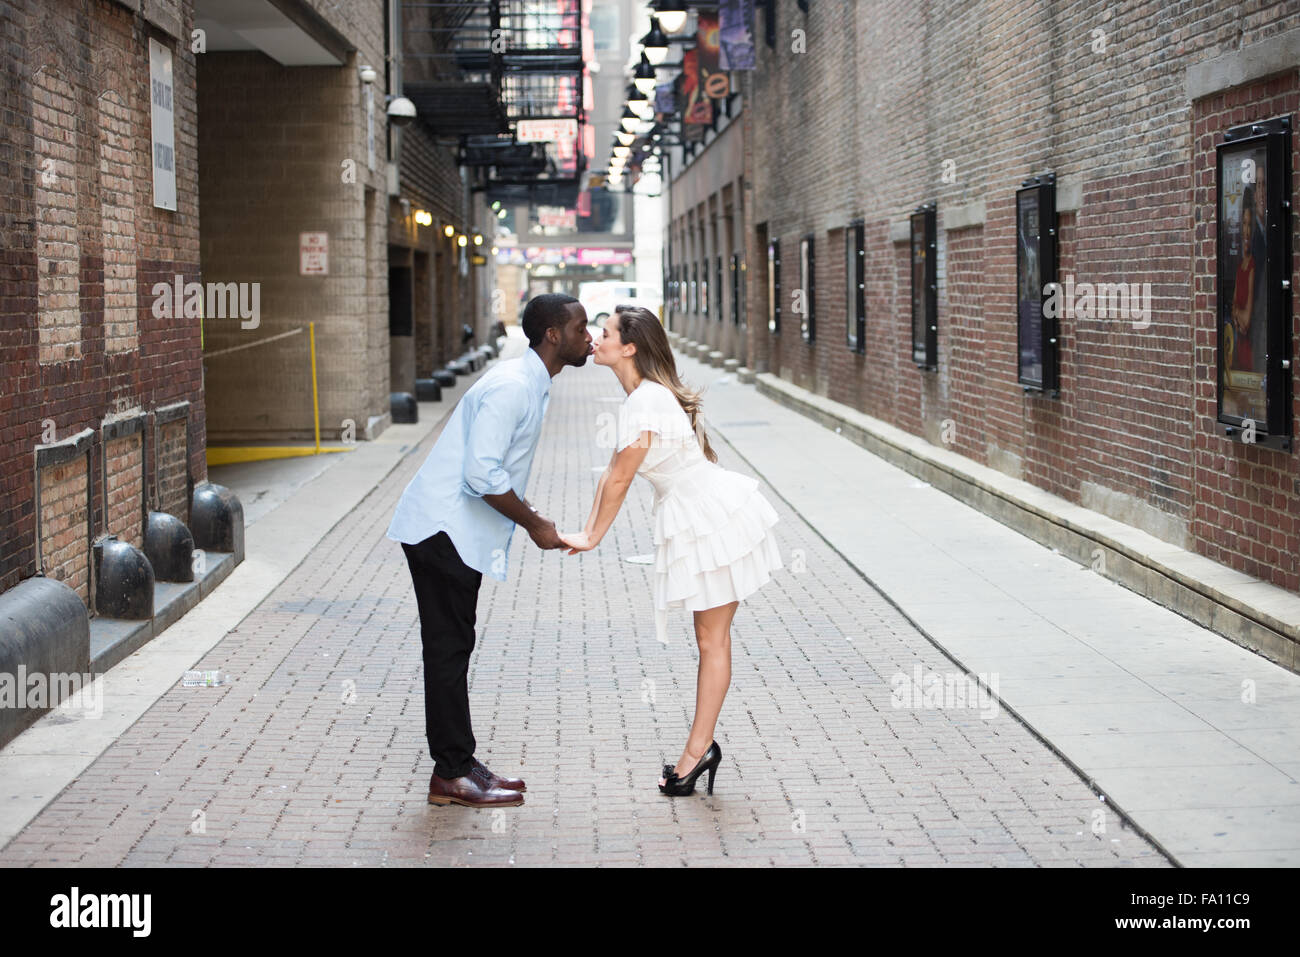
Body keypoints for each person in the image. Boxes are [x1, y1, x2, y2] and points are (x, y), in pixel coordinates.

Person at [560, 305, 782, 797]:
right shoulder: (644, 398)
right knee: (711, 641)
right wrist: (585, 529)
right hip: (700, 514)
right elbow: (611, 474)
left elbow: (620, 477)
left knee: (712, 641)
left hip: (710, 517)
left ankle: (695, 754)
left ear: (630, 347)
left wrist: (592, 537)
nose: (597, 337)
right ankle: (698, 751)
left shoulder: (646, 402)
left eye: (607, 332)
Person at [387, 294, 592, 808]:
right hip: (442, 531)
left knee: (455, 645)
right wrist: (534, 523)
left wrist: (526, 515)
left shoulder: (529, 383)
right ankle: (450, 773)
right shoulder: (513, 387)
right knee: (448, 649)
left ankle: (459, 761)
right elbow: (481, 473)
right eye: (582, 327)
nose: (590, 336)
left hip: (454, 533)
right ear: (553, 336)